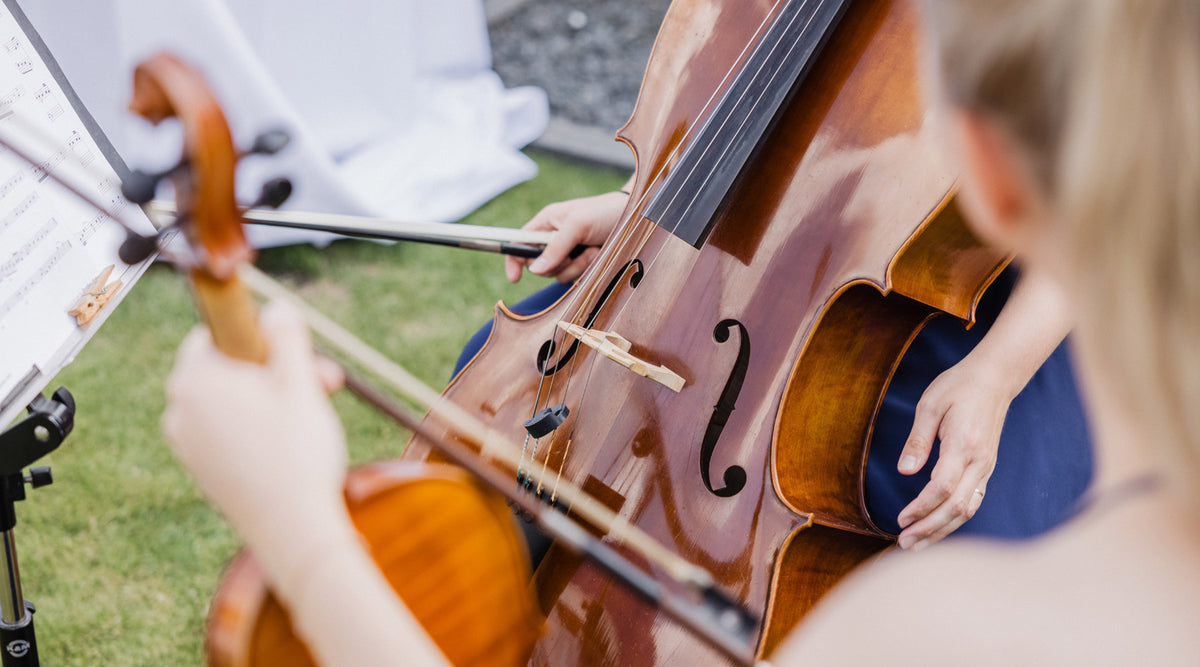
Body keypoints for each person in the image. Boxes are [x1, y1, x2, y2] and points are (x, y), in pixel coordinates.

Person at [163, 0, 1200, 663]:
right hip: (768, 268)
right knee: (503, 386)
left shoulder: (941, 634)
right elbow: (769, 117)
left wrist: (1000, 367)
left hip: (955, 317)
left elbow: (1130, 177)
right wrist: (649, 198)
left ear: (989, 172)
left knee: (926, 495)